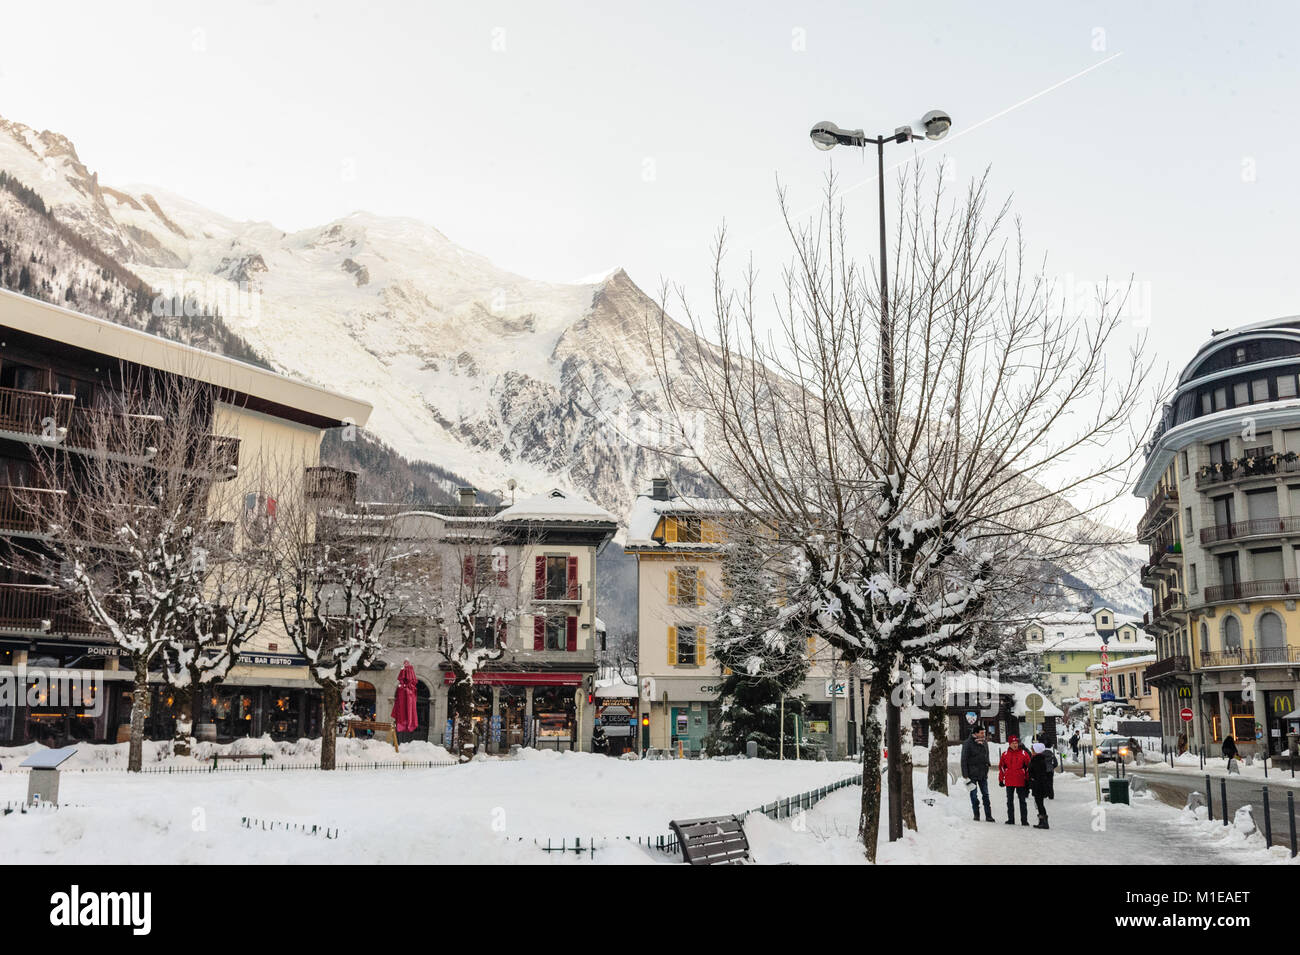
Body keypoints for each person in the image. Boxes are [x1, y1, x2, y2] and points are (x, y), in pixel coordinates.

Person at [961, 726, 995, 823]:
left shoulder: (984, 742)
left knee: (986, 794)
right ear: (975, 733)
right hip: (972, 774)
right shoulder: (968, 743)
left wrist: (987, 764)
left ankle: (988, 815)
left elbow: (986, 755)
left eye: (984, 733)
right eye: (981, 733)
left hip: (983, 773)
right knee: (974, 795)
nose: (983, 735)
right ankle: (976, 814)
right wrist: (965, 774)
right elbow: (964, 759)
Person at [999, 735, 1032, 826]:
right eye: (1013, 743)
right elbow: (1001, 767)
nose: (1015, 745)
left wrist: (1028, 779)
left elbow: (1029, 767)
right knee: (1009, 801)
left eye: (1016, 743)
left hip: (1020, 780)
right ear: (1009, 744)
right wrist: (1001, 780)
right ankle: (1011, 819)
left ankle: (1024, 820)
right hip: (1009, 780)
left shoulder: (1023, 753)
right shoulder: (1005, 754)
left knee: (1022, 801)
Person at [1027, 741, 1052, 829]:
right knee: (1039, 803)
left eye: (1033, 750)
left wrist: (1032, 779)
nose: (1032, 751)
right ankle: (1042, 820)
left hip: (1039, 785)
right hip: (1038, 785)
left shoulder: (1037, 760)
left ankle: (1043, 821)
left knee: (1039, 803)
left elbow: (1038, 774)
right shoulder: (1038, 759)